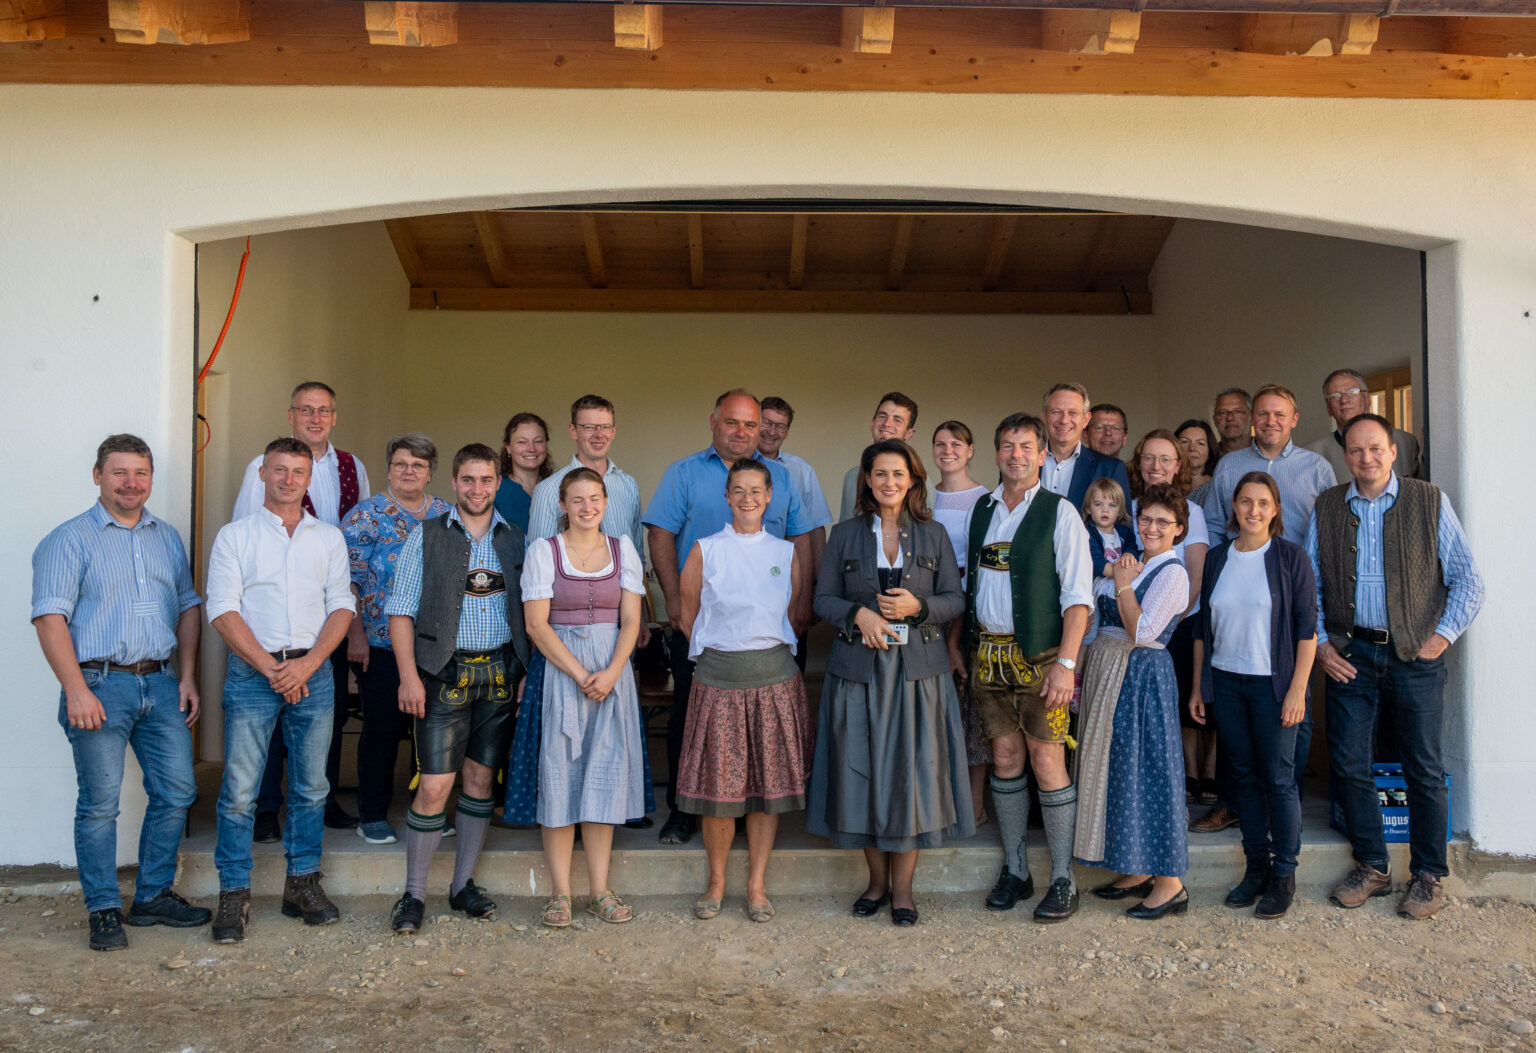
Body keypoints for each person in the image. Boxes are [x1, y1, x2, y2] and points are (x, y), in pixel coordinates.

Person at [31, 434, 209, 951]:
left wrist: (188, 675)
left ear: (151, 478)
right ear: (97, 476)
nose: (131, 483)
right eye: (119, 473)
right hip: (98, 684)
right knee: (100, 805)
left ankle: (152, 895)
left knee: (177, 791)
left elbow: (188, 605)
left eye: (141, 473)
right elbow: (49, 619)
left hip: (160, 681)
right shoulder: (69, 539)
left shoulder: (165, 536)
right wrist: (76, 690)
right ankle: (104, 908)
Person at [1307, 413, 1483, 921]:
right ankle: (1372, 865)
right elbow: (1311, 584)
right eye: (1357, 450)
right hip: (1351, 656)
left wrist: (1441, 637)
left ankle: (1429, 875)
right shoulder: (1327, 506)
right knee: (1349, 763)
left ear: (1393, 452)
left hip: (1413, 656)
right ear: (1345, 456)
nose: (1366, 458)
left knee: (1422, 769)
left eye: (1376, 449)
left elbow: (1469, 580)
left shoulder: (1429, 501)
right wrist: (1321, 645)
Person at [807, 439, 972, 926]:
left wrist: (918, 608)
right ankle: (875, 883)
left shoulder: (933, 532)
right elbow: (823, 599)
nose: (889, 483)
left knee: (910, 775)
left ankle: (903, 891)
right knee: (860, 771)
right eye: (880, 474)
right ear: (867, 480)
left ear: (913, 480)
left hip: (917, 675)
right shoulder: (844, 534)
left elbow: (955, 599)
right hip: (858, 673)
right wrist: (858, 614)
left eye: (898, 474)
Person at [643, 389, 814, 846]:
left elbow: (800, 539)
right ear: (714, 421)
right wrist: (674, 603)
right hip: (700, 624)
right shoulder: (683, 473)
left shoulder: (779, 475)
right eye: (733, 423)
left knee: (759, 726)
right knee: (691, 717)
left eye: (751, 425)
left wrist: (801, 606)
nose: (742, 432)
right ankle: (684, 808)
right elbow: (660, 534)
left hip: (765, 634)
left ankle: (744, 810)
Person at [206, 437, 355, 942]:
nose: (288, 479)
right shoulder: (235, 537)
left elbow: (341, 606)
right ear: (262, 475)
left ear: (309, 479)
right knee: (240, 793)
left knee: (312, 788)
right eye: (279, 470)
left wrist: (309, 664)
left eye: (297, 471)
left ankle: (302, 885)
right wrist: (272, 668)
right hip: (254, 675)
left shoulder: (328, 539)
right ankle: (233, 893)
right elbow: (223, 610)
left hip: (313, 675)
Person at [385, 444, 531, 934]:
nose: (477, 489)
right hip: (442, 674)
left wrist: (527, 669)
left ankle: (463, 884)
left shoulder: (516, 539)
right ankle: (413, 894)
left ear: (497, 483)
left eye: (486, 480)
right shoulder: (425, 537)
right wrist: (408, 676)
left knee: (480, 783)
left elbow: (529, 611)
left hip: (500, 673)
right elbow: (400, 610)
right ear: (454, 483)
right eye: (468, 480)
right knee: (433, 786)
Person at [965, 414, 1093, 923]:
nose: (1016, 454)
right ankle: (1016, 869)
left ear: (1043, 455)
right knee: (1004, 758)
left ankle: (1063, 877)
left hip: (1043, 661)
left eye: (1026, 446)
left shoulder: (1060, 514)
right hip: (989, 657)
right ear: (995, 453)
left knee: (1047, 762)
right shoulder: (983, 510)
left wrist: (1066, 663)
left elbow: (1079, 598)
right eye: (1007, 445)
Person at [232, 381, 370, 840]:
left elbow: (361, 544)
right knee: (269, 714)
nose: (315, 418)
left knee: (322, 712)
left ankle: (322, 797)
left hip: (329, 613)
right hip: (272, 622)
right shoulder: (265, 467)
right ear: (290, 415)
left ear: (335, 416)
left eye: (324, 410)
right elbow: (245, 538)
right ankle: (268, 805)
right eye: (306, 409)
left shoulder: (353, 467)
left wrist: (352, 623)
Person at [676, 459, 812, 923]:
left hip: (773, 677)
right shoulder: (705, 549)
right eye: (739, 490)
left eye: (757, 490)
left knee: (765, 789)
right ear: (727, 496)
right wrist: (725, 655)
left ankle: (756, 885)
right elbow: (688, 614)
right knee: (720, 789)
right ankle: (716, 882)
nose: (748, 497)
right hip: (719, 680)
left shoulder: (785, 552)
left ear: (770, 496)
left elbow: (793, 613)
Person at [516, 468, 647, 928]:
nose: (587, 507)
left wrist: (611, 672)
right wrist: (579, 673)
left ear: (606, 503)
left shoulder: (622, 549)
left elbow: (630, 620)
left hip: (613, 670)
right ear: (563, 505)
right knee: (560, 773)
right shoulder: (543, 551)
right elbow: (536, 625)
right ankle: (560, 893)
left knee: (604, 774)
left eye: (595, 498)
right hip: (561, 669)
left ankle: (599, 889)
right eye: (577, 499)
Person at [1198, 385, 1333, 826]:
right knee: (1237, 722)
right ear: (1253, 419)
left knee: (1294, 711)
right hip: (1242, 592)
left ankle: (1282, 804)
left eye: (1280, 414)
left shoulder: (1317, 468)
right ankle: (1234, 805)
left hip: (1295, 592)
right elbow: (1219, 525)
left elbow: (1327, 534)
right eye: (1263, 414)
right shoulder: (1231, 466)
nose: (1271, 421)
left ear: (1294, 419)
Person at [1189, 472, 1317, 919]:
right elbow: (1204, 626)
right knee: (1241, 777)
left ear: (1276, 509)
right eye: (1246, 502)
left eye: (1263, 503)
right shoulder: (1219, 558)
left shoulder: (1290, 557)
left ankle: (1284, 873)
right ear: (1234, 508)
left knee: (1278, 781)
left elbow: (1306, 632)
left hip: (1273, 685)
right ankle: (1256, 867)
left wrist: (1297, 690)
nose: (1254, 510)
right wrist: (1199, 686)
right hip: (1227, 682)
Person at [524, 394, 653, 827]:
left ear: (613, 431)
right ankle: (567, 820)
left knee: (612, 734)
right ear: (572, 431)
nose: (598, 434)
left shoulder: (628, 485)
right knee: (564, 742)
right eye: (588, 426)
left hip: (616, 633)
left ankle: (609, 812)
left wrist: (640, 624)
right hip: (564, 637)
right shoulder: (549, 490)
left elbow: (636, 554)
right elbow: (538, 568)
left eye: (605, 427)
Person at [1074, 485, 1192, 919]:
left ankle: (1170, 884)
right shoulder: (1136, 564)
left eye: (1164, 522)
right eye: (1146, 519)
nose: (1152, 527)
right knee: (1121, 771)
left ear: (1179, 529)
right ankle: (1137, 868)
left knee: (1149, 772)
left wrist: (1122, 584)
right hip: (1110, 672)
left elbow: (1143, 633)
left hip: (1142, 676)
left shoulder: (1172, 573)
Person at [341, 434, 450, 845]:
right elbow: (345, 582)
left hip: (436, 644)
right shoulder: (364, 516)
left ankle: (426, 810)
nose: (409, 471)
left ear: (430, 473)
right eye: (402, 463)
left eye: (418, 465)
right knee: (383, 729)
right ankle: (371, 814)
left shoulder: (444, 514)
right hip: (379, 642)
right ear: (389, 467)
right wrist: (356, 635)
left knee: (432, 731)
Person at [1128, 431, 1211, 807]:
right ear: (1138, 462)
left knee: (1173, 715)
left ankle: (1173, 791)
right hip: (1130, 628)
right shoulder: (1124, 506)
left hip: (1175, 626)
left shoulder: (1193, 512)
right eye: (1149, 458)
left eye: (1166, 459)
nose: (1156, 466)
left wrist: (1166, 622)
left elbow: (1195, 573)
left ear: (1179, 465)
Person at [931, 420, 992, 826]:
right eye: (940, 443)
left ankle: (974, 804)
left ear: (971, 450)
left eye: (956, 444)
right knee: (935, 711)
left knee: (972, 712)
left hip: (968, 614)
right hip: (927, 613)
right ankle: (937, 801)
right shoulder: (921, 498)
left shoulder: (986, 500)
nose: (948, 450)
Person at [759, 395, 834, 666]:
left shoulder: (800, 471)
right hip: (744, 583)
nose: (772, 431)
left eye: (780, 426)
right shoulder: (732, 466)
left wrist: (813, 589)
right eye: (766, 422)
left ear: (787, 432)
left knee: (791, 664)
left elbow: (815, 532)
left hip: (788, 585)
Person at [1304, 368, 1424, 482]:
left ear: (1367, 399)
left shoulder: (1405, 442)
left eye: (1352, 392)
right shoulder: (1311, 454)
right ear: (1328, 407)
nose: (1344, 400)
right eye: (1335, 396)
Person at [1039, 383, 1131, 509]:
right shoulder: (1022, 462)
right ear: (1044, 417)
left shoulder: (1110, 469)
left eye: (1073, 412)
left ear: (1086, 419)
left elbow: (1123, 526)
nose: (1064, 420)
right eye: (1056, 412)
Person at [838, 392, 918, 522]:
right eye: (882, 416)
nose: (887, 423)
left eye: (897, 420)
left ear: (909, 433)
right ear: (872, 423)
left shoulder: (920, 480)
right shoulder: (852, 477)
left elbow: (926, 535)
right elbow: (844, 533)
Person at [495, 412, 554, 533]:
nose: (531, 449)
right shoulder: (495, 491)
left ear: (546, 445)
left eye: (538, 441)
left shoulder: (557, 488)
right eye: (522, 442)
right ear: (508, 447)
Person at [1082, 476, 1139, 579]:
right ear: (1088, 509)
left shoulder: (1125, 533)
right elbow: (1096, 562)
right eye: (1098, 504)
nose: (1105, 510)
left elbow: (1132, 548)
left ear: (1119, 511)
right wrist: (1121, 574)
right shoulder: (1087, 534)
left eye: (1112, 505)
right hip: (1096, 586)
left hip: (1120, 583)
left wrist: (1129, 554)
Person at [1176, 419, 1221, 509]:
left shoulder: (1216, 488)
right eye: (1185, 442)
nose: (1192, 448)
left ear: (1210, 451)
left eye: (1200, 443)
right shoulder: (1165, 483)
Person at [1212, 387, 1253, 458]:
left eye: (1238, 411)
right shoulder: (1206, 458)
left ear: (1252, 417)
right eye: (1223, 412)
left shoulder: (1269, 453)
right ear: (1215, 420)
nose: (1230, 418)